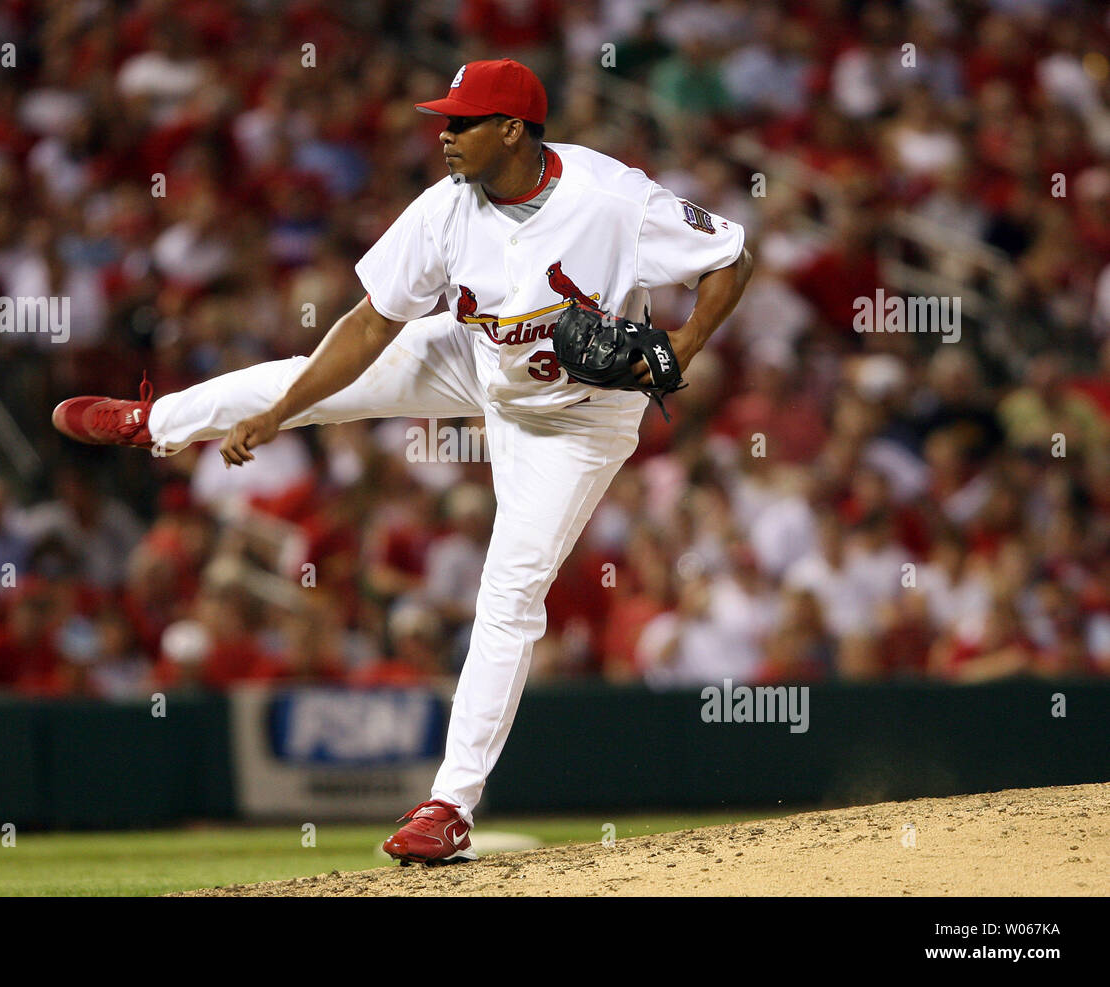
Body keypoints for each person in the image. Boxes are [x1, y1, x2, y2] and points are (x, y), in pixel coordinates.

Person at [52, 59, 752, 864]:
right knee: (306, 370)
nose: (445, 135)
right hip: (477, 357)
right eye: (444, 120)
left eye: (461, 122)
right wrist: (283, 414)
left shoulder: (612, 199)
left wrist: (682, 344)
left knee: (510, 592)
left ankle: (449, 805)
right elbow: (362, 328)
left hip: (577, 417)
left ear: (514, 130)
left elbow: (730, 258)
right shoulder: (445, 211)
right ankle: (156, 421)